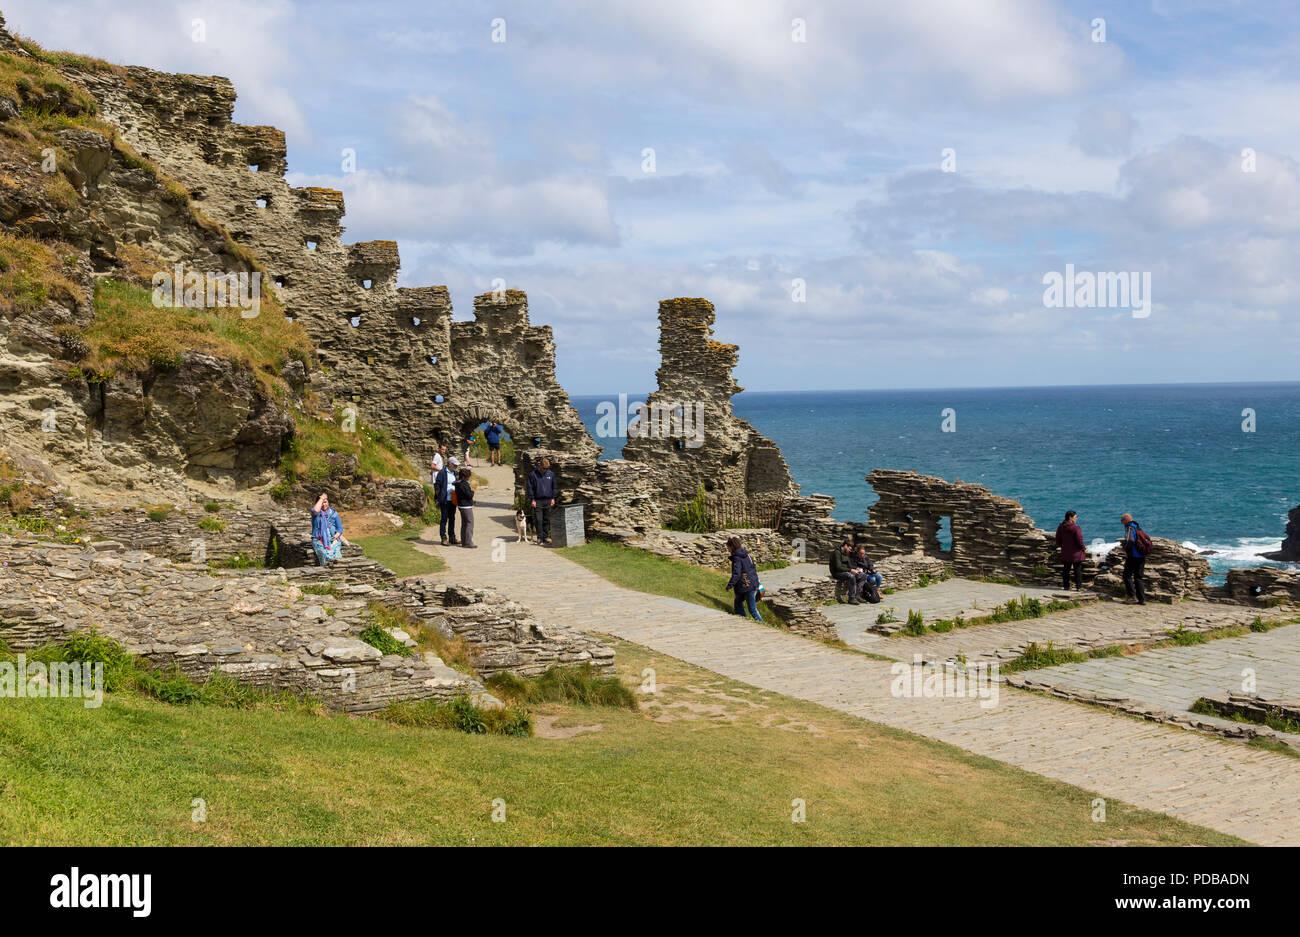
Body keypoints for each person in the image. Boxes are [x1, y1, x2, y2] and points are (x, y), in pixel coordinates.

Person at [724, 536, 763, 622]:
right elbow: (753, 568)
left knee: (752, 609)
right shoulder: (746, 554)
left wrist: (730, 586)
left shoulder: (737, 558)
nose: (728, 550)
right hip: (751, 583)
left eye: (728, 547)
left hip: (746, 585)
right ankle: (742, 620)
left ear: (732, 547)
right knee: (738, 602)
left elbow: (736, 574)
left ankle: (764, 625)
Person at [526, 457, 558, 544]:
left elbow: (554, 487)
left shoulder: (551, 474)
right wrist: (532, 499)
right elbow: (530, 488)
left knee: (546, 519)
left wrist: (553, 498)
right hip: (537, 500)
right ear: (540, 466)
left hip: (548, 500)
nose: (545, 470)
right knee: (538, 519)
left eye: (547, 468)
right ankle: (539, 537)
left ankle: (546, 537)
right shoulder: (533, 475)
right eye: (544, 468)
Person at [1055, 510, 1086, 590]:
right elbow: (1079, 540)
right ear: (1070, 518)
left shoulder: (1061, 527)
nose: (1076, 519)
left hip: (1065, 551)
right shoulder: (1076, 528)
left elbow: (1058, 539)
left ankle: (1066, 586)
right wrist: (1083, 548)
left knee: (1066, 569)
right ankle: (1079, 587)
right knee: (1077, 570)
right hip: (1076, 552)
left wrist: (1061, 546)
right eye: (1075, 517)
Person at [1120, 513, 1147, 605]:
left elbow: (1130, 540)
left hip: (1133, 556)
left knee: (1126, 575)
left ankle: (1132, 596)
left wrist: (1126, 550)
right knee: (1138, 577)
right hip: (1142, 556)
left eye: (1122, 521)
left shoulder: (1129, 528)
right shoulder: (1137, 527)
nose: (1122, 523)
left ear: (1126, 520)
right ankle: (1142, 599)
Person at [310, 492, 344, 565]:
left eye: (325, 502)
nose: (324, 504)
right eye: (322, 502)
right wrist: (322, 498)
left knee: (337, 557)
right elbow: (316, 510)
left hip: (333, 539)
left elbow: (340, 528)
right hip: (318, 539)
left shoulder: (334, 513)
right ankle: (326, 571)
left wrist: (336, 536)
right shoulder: (315, 512)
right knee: (324, 554)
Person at [829, 539, 865, 605]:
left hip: (845, 571)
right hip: (837, 572)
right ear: (845, 545)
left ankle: (857, 595)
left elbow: (849, 565)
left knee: (862, 575)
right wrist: (850, 570)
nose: (850, 551)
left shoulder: (846, 553)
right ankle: (851, 598)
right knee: (851, 576)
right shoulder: (836, 553)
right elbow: (838, 567)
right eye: (849, 549)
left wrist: (856, 569)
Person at [434, 456, 459, 545]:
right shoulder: (442, 473)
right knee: (444, 519)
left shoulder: (454, 473)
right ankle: (443, 538)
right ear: (450, 464)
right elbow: (437, 486)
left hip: (453, 499)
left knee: (452, 518)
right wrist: (439, 497)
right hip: (444, 499)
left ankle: (452, 537)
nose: (456, 467)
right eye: (455, 465)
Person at [455, 467, 477, 548]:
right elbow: (469, 495)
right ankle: (468, 542)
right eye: (468, 476)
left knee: (464, 523)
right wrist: (472, 491)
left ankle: (464, 541)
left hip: (461, 505)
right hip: (466, 506)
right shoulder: (464, 484)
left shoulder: (457, 483)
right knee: (470, 523)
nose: (469, 478)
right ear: (464, 476)